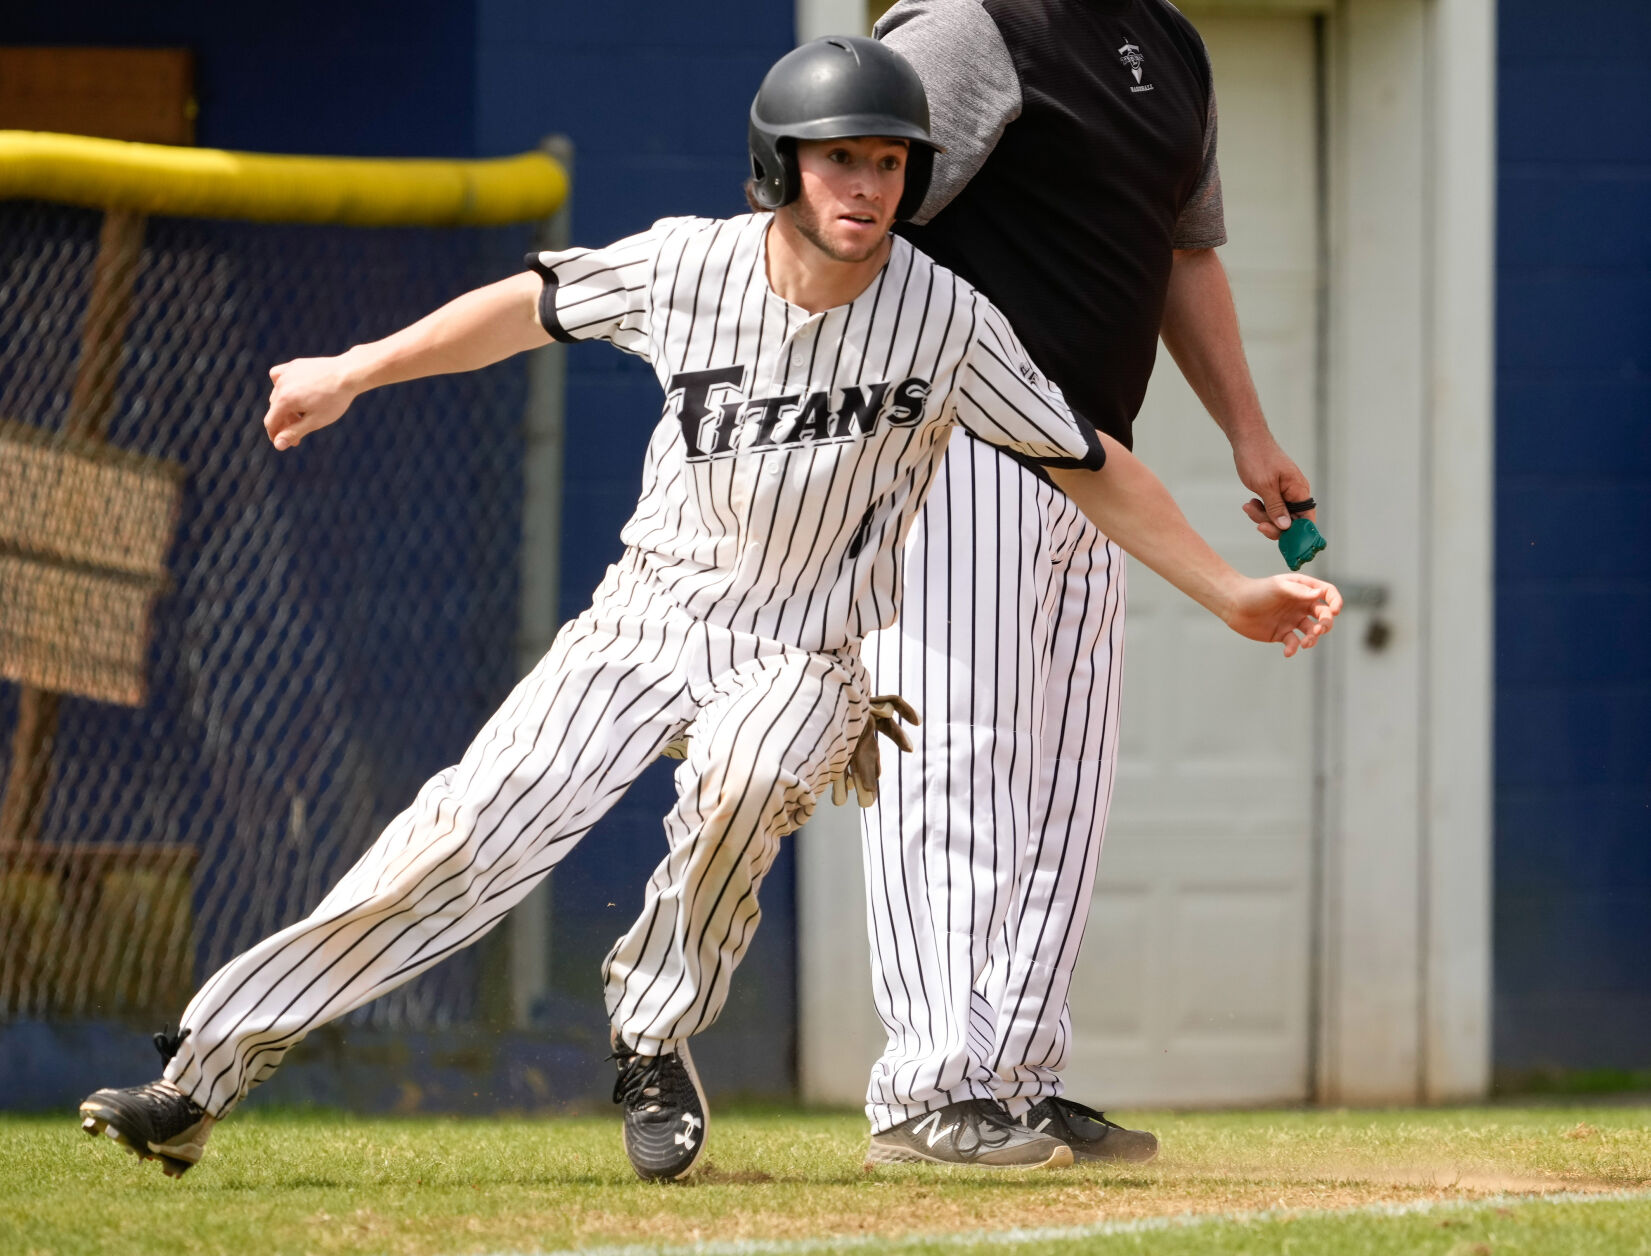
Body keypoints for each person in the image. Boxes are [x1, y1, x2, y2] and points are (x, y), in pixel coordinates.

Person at [77, 36, 1338, 1183]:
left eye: (891, 162)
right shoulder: (689, 264)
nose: (868, 185)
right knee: (459, 841)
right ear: (782, 167)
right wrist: (357, 367)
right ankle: (197, 1077)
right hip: (643, 623)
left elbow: (1091, 463)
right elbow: (524, 306)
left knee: (752, 765)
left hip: (804, 648)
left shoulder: (947, 318)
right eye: (840, 158)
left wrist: (1228, 591)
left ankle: (651, 1032)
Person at [858, 0, 1319, 1164]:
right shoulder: (970, 29)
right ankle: (927, 1085)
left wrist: (1246, 433)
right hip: (953, 444)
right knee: (951, 751)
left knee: (1066, 779)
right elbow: (826, 201)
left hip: (1091, 461)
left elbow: (1180, 251)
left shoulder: (1171, 42)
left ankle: (1012, 1077)